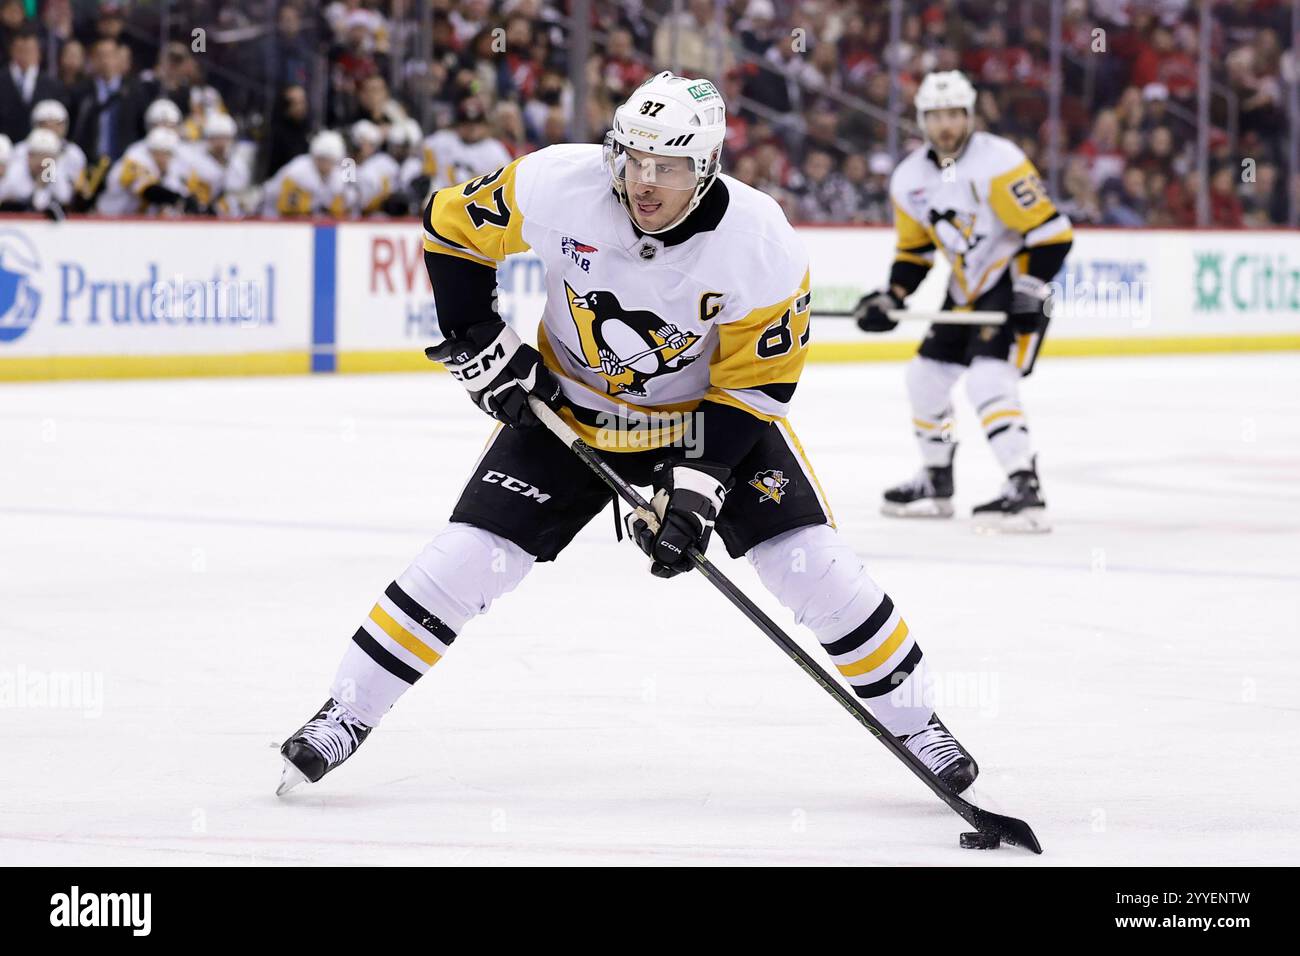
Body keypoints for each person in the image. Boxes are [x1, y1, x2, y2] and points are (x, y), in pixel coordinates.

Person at [277, 72, 982, 800]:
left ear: (706, 165)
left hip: (705, 416)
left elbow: (753, 387)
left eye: (669, 167)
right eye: (633, 159)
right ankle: (345, 712)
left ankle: (916, 721)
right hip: (570, 409)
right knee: (467, 557)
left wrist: (696, 495)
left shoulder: (762, 242)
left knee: (808, 560)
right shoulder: (556, 182)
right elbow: (451, 229)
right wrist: (477, 337)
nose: (645, 183)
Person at [854, 71, 1072, 532]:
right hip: (965, 292)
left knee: (988, 379)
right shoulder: (909, 178)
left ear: (970, 116)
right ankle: (936, 481)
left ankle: (1024, 486)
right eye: (936, 116)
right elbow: (915, 252)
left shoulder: (999, 161)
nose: (946, 126)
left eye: (954, 115)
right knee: (924, 378)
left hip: (1011, 287)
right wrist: (892, 296)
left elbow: (1052, 234)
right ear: (922, 121)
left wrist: (1030, 288)